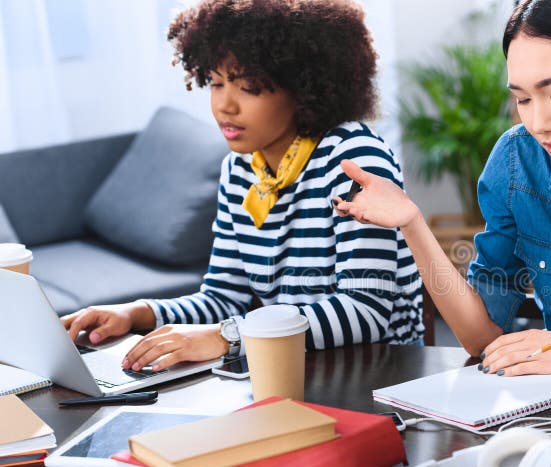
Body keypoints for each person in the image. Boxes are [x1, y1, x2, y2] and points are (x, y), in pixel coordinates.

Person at [61, 0, 424, 372]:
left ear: (304, 88)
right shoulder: (240, 169)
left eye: (248, 87)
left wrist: (229, 336)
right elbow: (224, 297)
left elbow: (365, 312)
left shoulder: (353, 159)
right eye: (216, 83)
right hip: (290, 369)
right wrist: (138, 313)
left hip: (378, 374)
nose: (224, 106)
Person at [334, 0, 551, 375]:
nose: (539, 123)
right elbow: (482, 338)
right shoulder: (515, 162)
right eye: (523, 99)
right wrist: (412, 222)